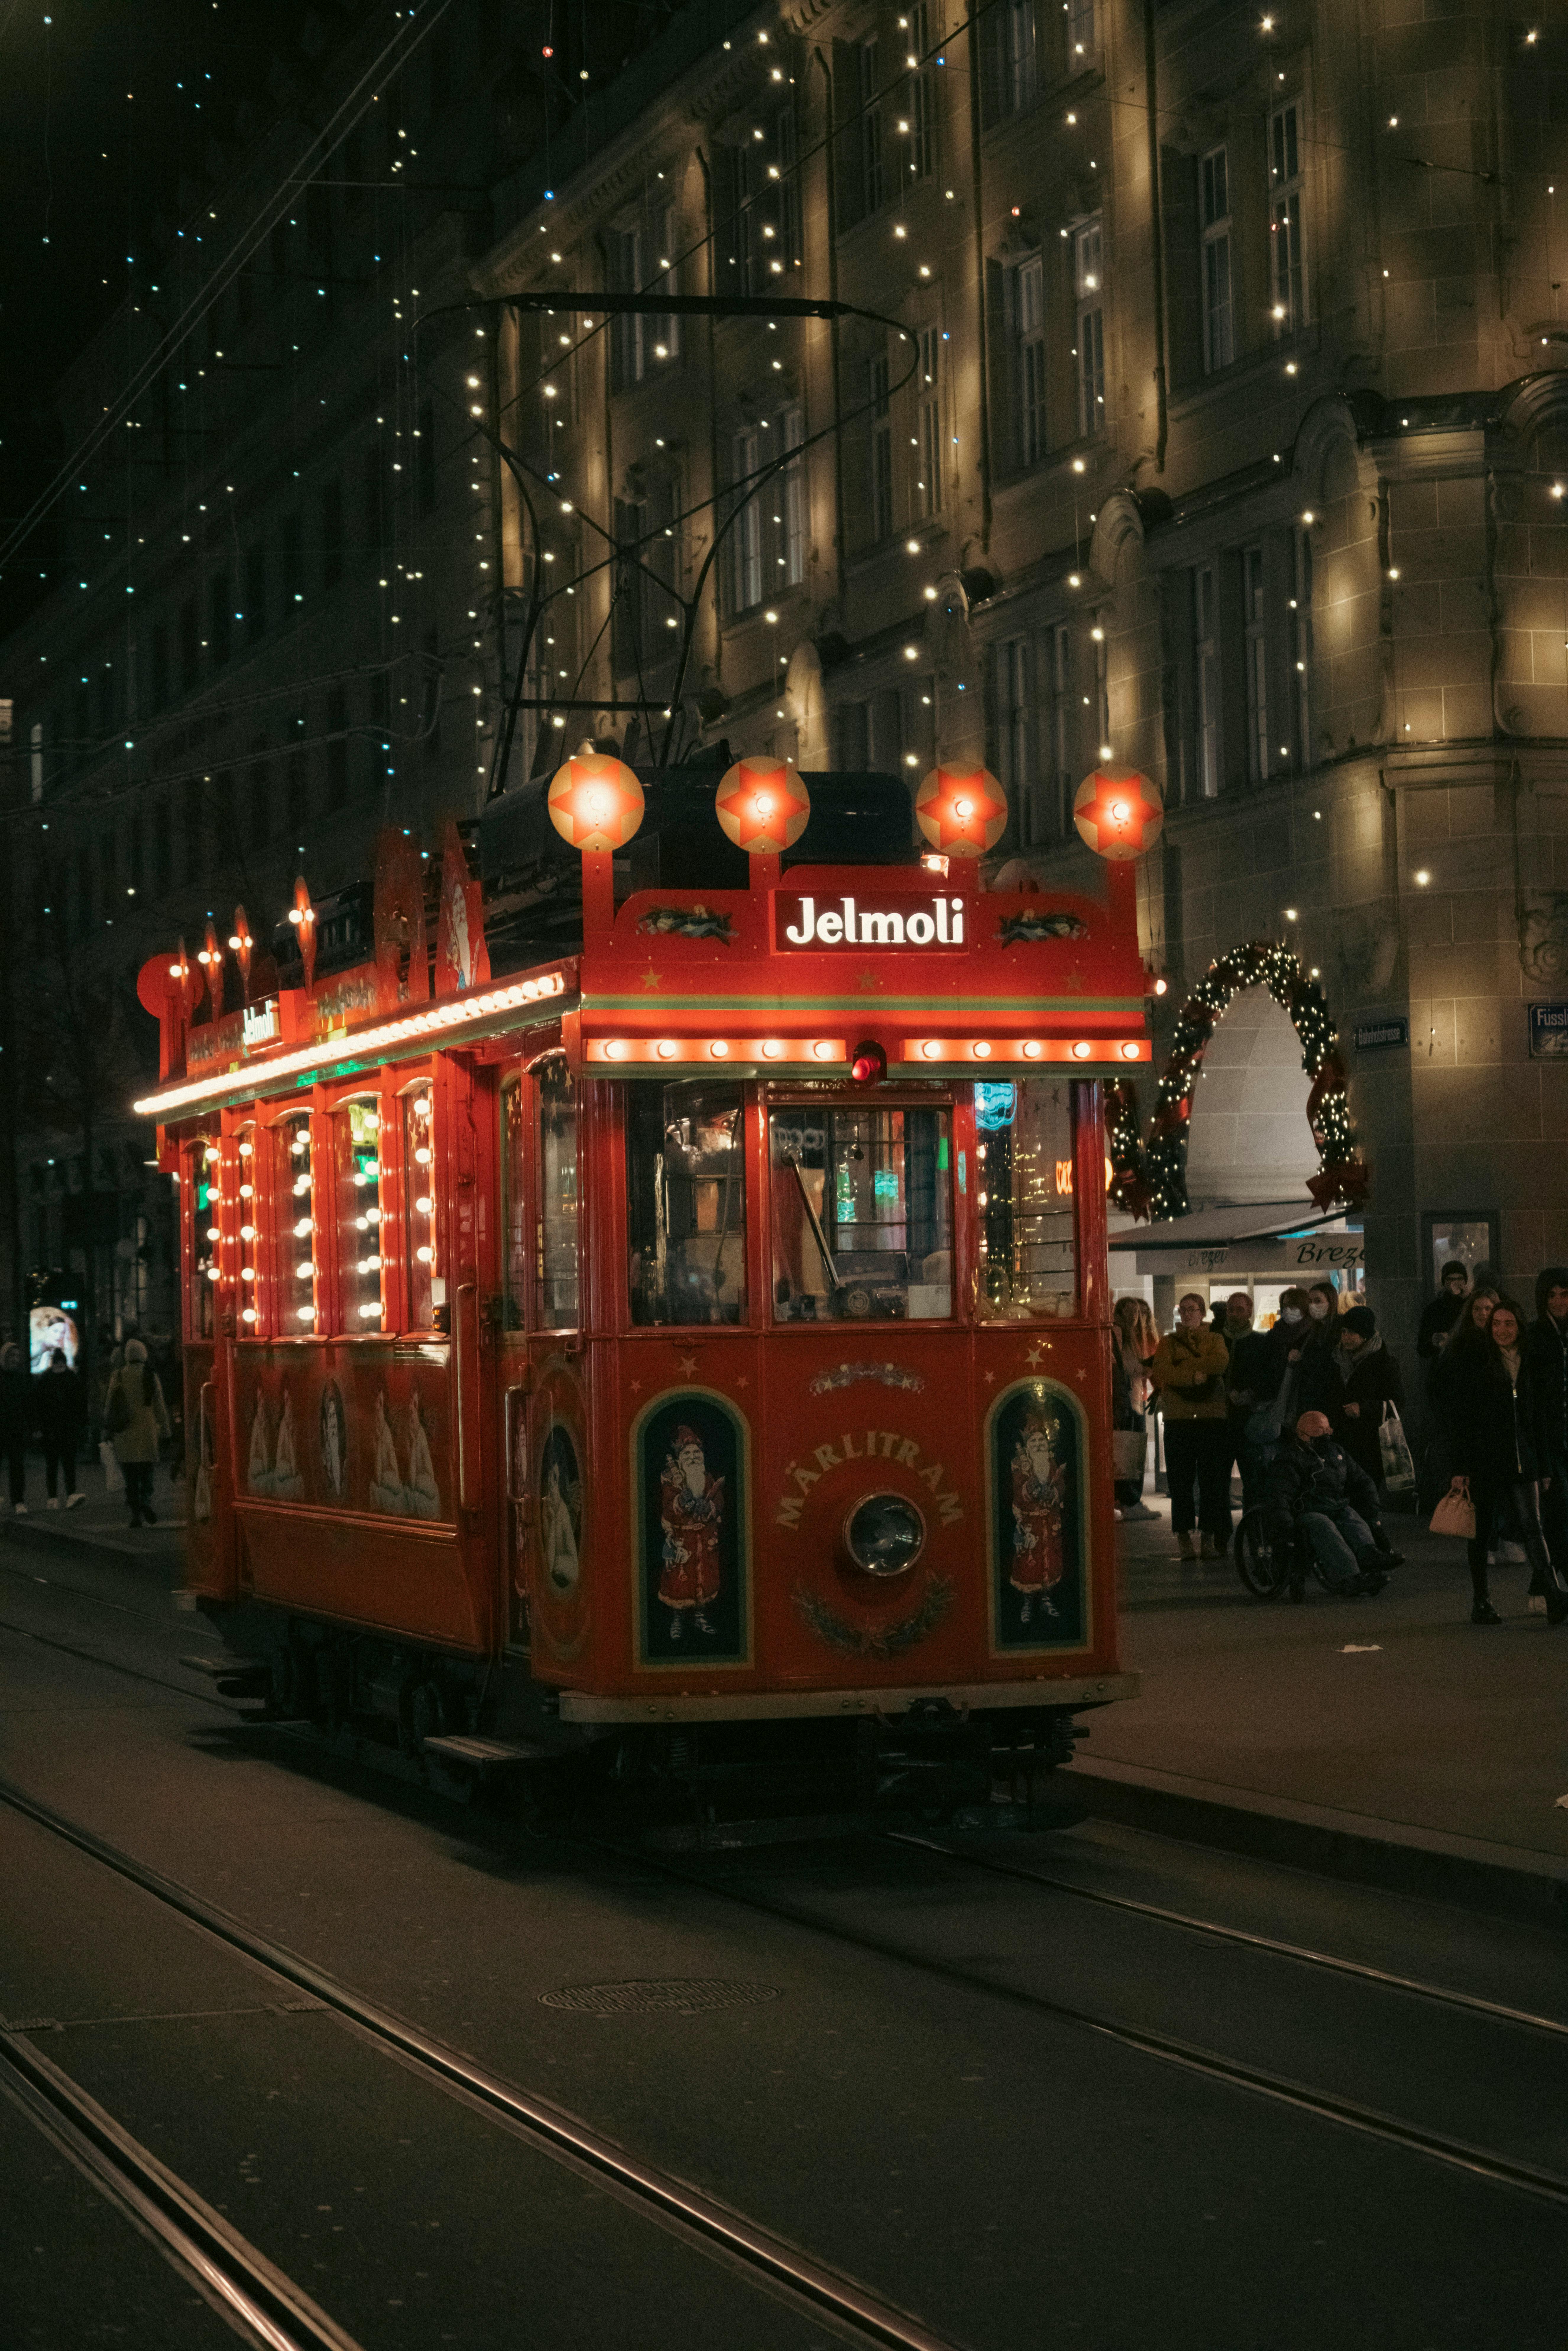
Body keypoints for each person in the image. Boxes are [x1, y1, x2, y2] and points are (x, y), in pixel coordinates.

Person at [1441, 1297, 1567, 1625]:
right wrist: (1460, 1468)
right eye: (1496, 1323)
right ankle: (1481, 1601)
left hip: (1524, 1459)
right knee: (1481, 1533)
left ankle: (1552, 1592)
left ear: (1519, 1326)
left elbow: (1540, 1419)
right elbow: (1462, 1418)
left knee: (1533, 1526)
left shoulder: (1531, 1361)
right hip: (1484, 1461)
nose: (1501, 1329)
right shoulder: (1477, 1362)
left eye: (1509, 1323)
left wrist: (1545, 1466)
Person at [1264, 1409, 1398, 1595]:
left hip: (1335, 1505)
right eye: (1319, 1432)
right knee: (1324, 1525)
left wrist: (1372, 1507)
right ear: (1303, 1436)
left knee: (1352, 1517)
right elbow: (1280, 1494)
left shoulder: (1337, 1452)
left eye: (1328, 1430)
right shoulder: (1290, 1459)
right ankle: (1350, 1577)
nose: (1326, 1436)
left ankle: (1369, 1556)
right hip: (1307, 1511)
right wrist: (1285, 1524)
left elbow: (1361, 1480)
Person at [1150, 1293, 1231, 1560]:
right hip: (1178, 1418)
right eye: (1183, 1310)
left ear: (1203, 1312)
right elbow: (1162, 1370)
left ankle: (1208, 1537)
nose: (1187, 1314)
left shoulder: (1216, 1339)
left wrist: (1183, 1366)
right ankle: (1183, 1538)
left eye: (1193, 1309)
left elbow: (1220, 1362)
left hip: (1211, 1417)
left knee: (1212, 1480)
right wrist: (1193, 1376)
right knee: (1180, 1480)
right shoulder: (1167, 1342)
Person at [1226, 1290, 1305, 1513]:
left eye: (1296, 1307)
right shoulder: (1272, 1337)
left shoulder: (1310, 1336)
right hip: (1263, 1415)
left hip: (1290, 1416)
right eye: (1287, 1306)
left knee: (1271, 1479)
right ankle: (1255, 1533)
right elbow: (1265, 1375)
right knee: (1257, 1476)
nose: (1234, 1314)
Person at [1328, 1304, 1407, 1494]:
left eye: (1352, 1333)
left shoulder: (1385, 1364)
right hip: (1340, 1438)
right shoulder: (1336, 1359)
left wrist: (1364, 1408)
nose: (1346, 1337)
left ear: (1365, 1335)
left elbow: (1398, 1402)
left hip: (1370, 1443)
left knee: (1365, 1492)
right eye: (1344, 1332)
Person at [1527, 1267, 1568, 1589]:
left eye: (1564, 1294)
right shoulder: (1536, 1335)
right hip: (1550, 1437)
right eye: (1552, 1295)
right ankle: (1547, 1581)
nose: (1558, 1301)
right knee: (1555, 1512)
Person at [104, 1338, 171, 1529]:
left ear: (127, 1356)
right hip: (148, 1433)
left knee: (131, 1477)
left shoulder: (119, 1376)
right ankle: (146, 1501)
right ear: (144, 1355)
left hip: (125, 1433)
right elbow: (160, 1407)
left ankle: (135, 1514)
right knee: (147, 1473)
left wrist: (107, 1428)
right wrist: (165, 1431)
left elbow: (110, 1404)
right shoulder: (151, 1376)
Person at [1110, 1296, 1160, 1523]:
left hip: (1134, 1399)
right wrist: (1145, 1369)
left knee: (1132, 1451)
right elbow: (1125, 1366)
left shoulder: (1132, 1337)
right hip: (1129, 1400)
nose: (1134, 1318)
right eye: (1129, 1313)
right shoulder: (1120, 1334)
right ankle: (1130, 1501)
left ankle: (1130, 1500)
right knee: (1129, 1451)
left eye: (1137, 1313)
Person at [35, 1349, 87, 1509]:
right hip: (68, 1427)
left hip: (50, 1428)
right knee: (68, 1463)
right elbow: (80, 1404)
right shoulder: (72, 1378)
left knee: (52, 1464)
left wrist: (38, 1427)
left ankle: (53, 1499)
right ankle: (71, 1494)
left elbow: (38, 1406)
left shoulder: (45, 1379)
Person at [1292, 1280, 1345, 1418]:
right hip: (1312, 1398)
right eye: (1310, 1301)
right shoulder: (1311, 1331)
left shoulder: (1342, 1329)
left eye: (1318, 1301)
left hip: (1335, 1398)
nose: (1313, 1305)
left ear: (1331, 1302)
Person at [1418, 1262, 1470, 1385]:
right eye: (1451, 1279)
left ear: (1466, 1281)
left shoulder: (1473, 1306)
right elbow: (1422, 1349)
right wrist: (1434, 1342)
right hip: (1443, 1374)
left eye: (1460, 1279)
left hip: (1470, 1372)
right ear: (1444, 1282)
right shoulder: (1434, 1310)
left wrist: (1468, 1299)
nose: (1455, 1283)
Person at [0, 1341, 32, 1513]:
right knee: (16, 1465)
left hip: (16, 1427)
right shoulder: (17, 1379)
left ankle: (18, 1500)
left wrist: (30, 1424)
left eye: (17, 1356)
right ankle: (17, 1501)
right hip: (6, 1426)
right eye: (12, 1356)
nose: (15, 1359)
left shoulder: (21, 1379)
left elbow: (28, 1404)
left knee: (18, 1466)